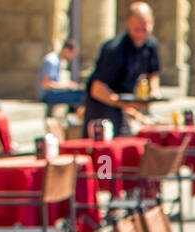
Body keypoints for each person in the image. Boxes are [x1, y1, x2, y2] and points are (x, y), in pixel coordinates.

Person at [84, 2, 160, 136]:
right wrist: (126, 105)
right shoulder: (114, 49)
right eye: (137, 29)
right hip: (102, 108)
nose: (141, 34)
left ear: (152, 22)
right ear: (129, 24)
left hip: (124, 106)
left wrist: (153, 90)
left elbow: (153, 72)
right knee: (105, 153)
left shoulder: (151, 45)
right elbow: (97, 89)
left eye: (145, 29)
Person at [39, 38, 87, 112]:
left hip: (53, 93)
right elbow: (46, 84)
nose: (73, 57)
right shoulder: (52, 61)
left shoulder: (58, 61)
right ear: (66, 50)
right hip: (47, 95)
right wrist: (67, 86)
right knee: (81, 96)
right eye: (73, 54)